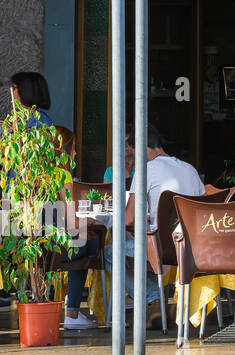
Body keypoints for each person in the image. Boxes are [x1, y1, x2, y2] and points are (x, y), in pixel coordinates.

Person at [116, 124, 205, 315]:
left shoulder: (146, 171)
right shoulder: (189, 168)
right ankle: (160, 301)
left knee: (111, 252)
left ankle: (155, 296)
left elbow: (128, 220)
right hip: (194, 248)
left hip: (163, 248)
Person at [51, 127, 100, 330]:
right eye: (74, 149)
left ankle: (70, 310)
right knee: (91, 242)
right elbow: (73, 223)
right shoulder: (63, 176)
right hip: (58, 250)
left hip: (36, 248)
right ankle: (72, 312)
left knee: (82, 239)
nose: (76, 154)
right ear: (65, 151)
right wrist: (90, 221)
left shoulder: (33, 175)